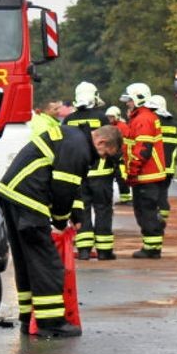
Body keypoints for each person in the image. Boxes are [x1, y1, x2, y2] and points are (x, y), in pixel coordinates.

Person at [0, 123, 121, 337]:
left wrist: (78, 215)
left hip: (13, 197)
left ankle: (28, 319)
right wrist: (61, 222)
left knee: (28, 262)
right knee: (47, 263)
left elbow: (74, 186)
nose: (103, 160)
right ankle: (50, 323)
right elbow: (63, 191)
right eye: (106, 154)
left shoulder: (74, 138)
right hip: (28, 201)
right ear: (101, 142)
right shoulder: (78, 148)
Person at [63, 82, 117, 260]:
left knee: (82, 209)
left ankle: (84, 250)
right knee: (103, 209)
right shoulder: (101, 118)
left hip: (79, 173)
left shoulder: (69, 119)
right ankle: (104, 251)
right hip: (101, 172)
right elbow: (110, 142)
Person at [120, 82, 166, 258]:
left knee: (145, 211)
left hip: (146, 175)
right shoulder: (141, 117)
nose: (127, 104)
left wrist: (132, 171)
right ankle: (151, 244)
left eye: (129, 100)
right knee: (144, 211)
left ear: (138, 99)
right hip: (146, 174)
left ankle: (152, 248)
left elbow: (143, 149)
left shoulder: (143, 119)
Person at [145, 94, 177, 226]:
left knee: (150, 195)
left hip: (151, 168)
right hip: (168, 169)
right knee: (163, 194)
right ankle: (162, 220)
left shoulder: (150, 123)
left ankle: (153, 220)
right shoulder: (175, 125)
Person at [105, 105, 132, 205]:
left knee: (122, 177)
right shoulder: (109, 127)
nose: (109, 119)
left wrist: (122, 155)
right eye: (108, 117)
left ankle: (126, 198)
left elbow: (126, 142)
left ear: (117, 116)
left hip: (120, 156)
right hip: (111, 155)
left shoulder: (123, 126)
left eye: (111, 117)